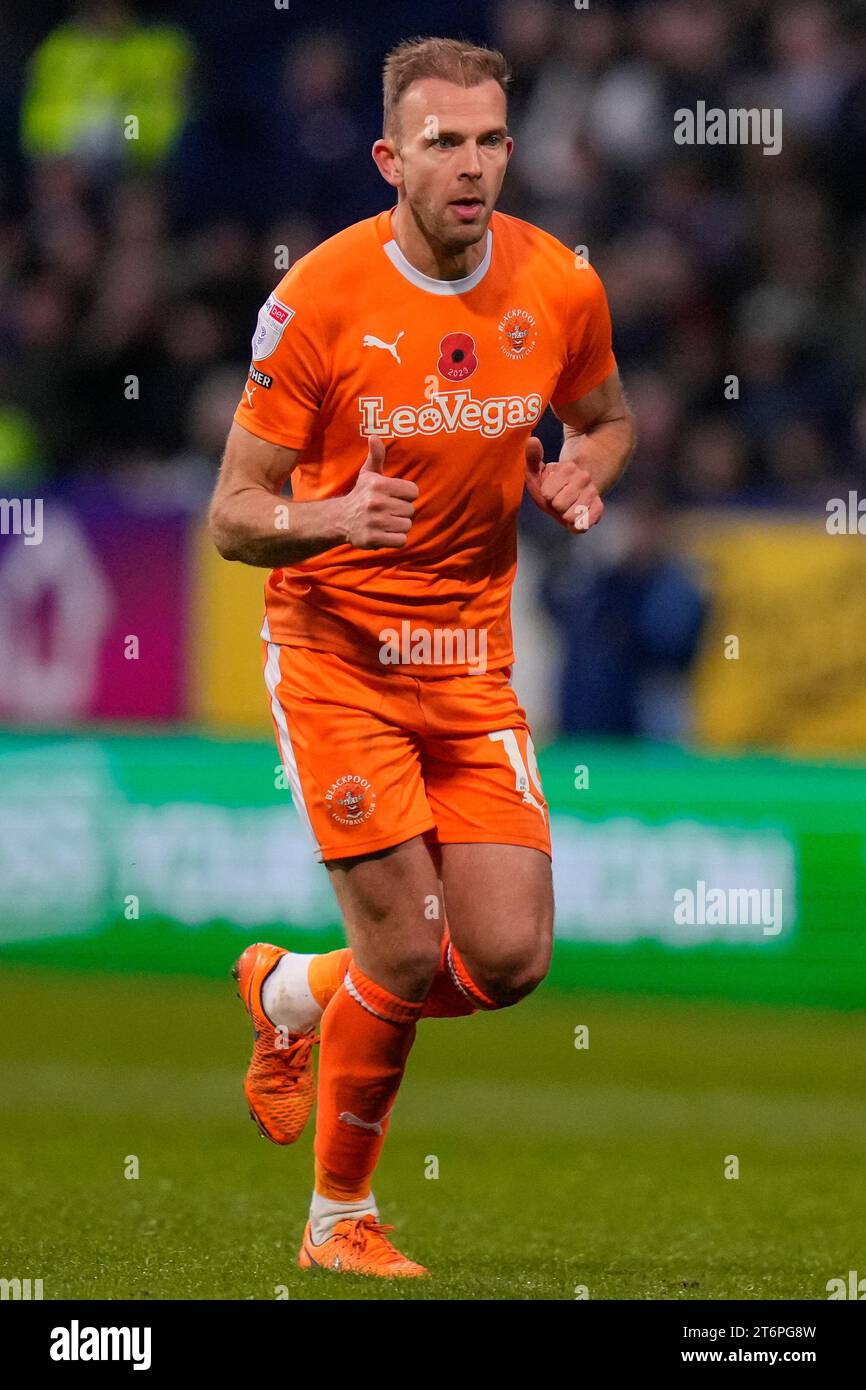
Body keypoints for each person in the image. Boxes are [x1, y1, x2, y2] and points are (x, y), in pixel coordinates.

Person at [208, 35, 635, 1279]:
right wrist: (327, 517)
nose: (471, 164)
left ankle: (288, 993)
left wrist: (576, 475)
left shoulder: (558, 285)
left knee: (505, 961)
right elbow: (233, 512)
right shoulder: (320, 300)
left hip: (470, 661)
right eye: (442, 142)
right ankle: (340, 1217)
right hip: (336, 653)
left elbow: (607, 420)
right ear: (392, 157)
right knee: (403, 952)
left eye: (490, 138)